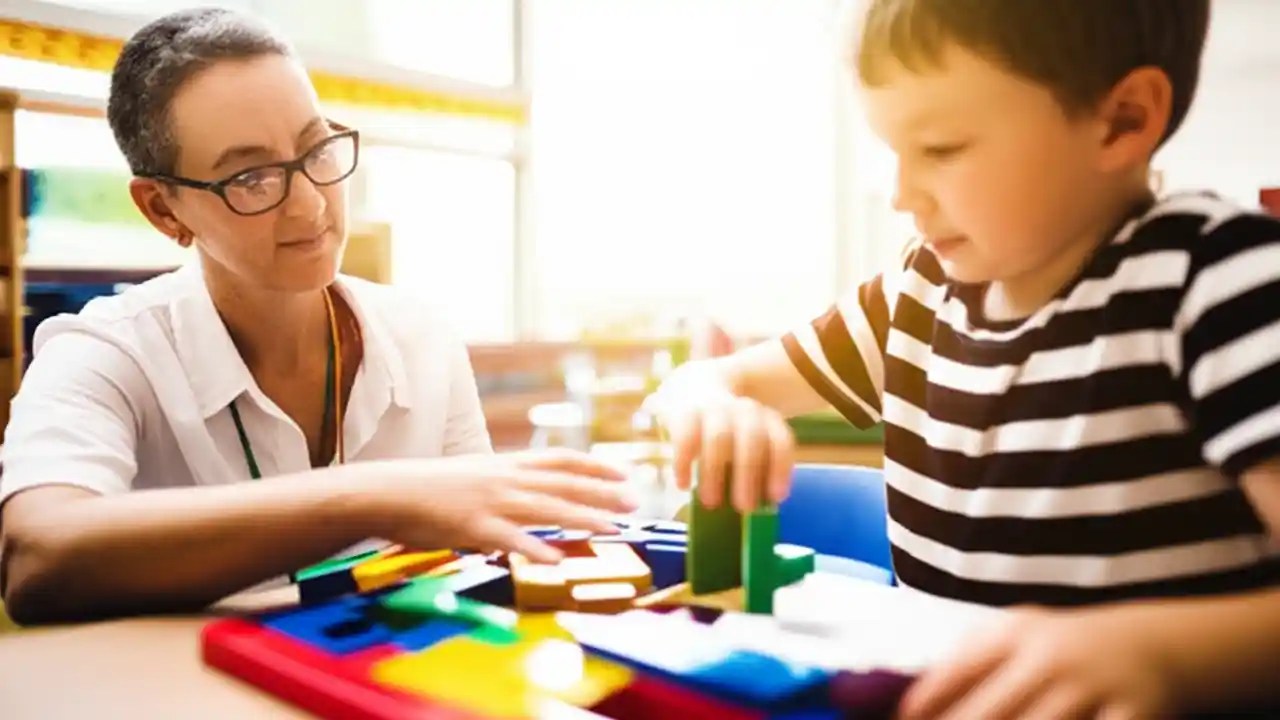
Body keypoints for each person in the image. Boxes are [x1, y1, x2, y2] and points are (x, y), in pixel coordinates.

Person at [646, 0, 1280, 717]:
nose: (900, 195)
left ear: (1123, 120)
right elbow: (704, 382)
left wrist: (1164, 657)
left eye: (942, 149)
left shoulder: (1221, 283)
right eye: (895, 152)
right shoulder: (915, 297)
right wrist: (713, 405)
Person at [0, 8, 635, 626]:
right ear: (164, 210)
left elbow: (473, 568)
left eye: (317, 149)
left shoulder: (423, 338)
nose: (309, 205)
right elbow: (37, 557)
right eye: (251, 177)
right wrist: (376, 500)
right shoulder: (104, 353)